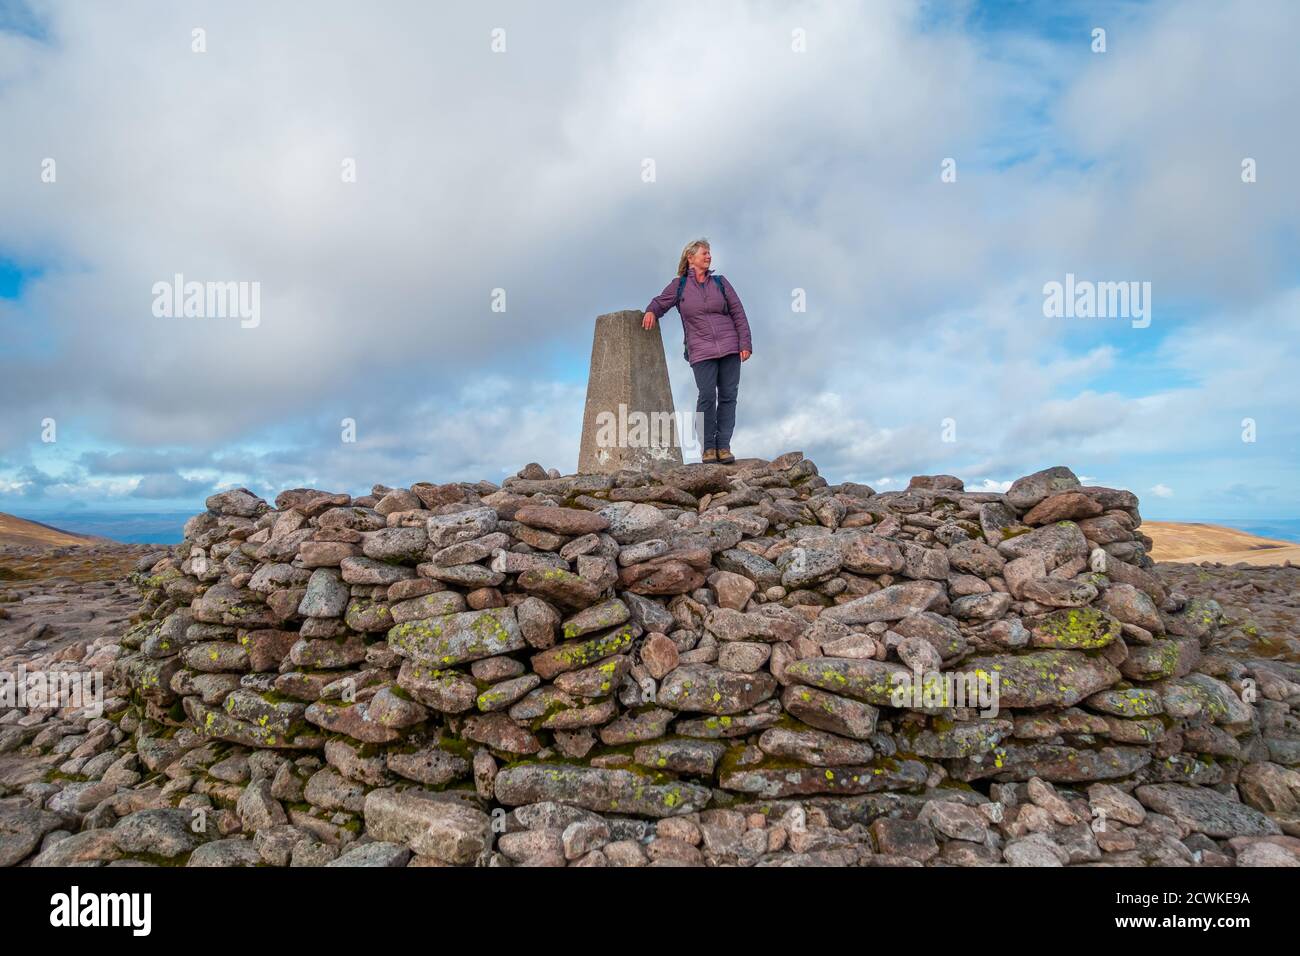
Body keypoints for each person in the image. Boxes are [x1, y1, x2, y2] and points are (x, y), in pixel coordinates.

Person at [642, 238, 752, 465]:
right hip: (700, 350)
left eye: (709, 253)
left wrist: (745, 343)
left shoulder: (721, 283)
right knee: (707, 396)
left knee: (729, 396)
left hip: (730, 347)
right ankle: (708, 448)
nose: (709, 256)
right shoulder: (679, 286)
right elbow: (660, 302)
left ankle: (723, 446)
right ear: (690, 258)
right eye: (705, 253)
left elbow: (738, 313)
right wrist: (651, 311)